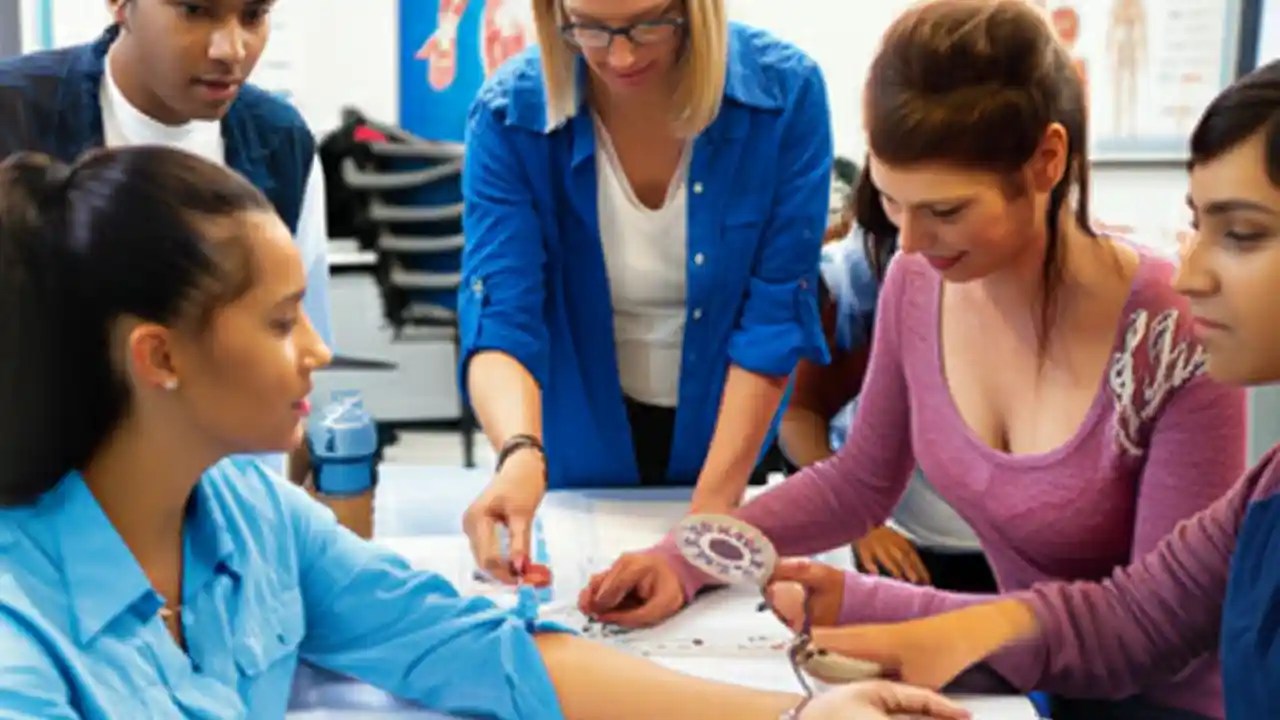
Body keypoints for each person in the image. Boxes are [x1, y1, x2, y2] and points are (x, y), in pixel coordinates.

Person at [0, 146, 971, 720]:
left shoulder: (250, 515)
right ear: (160, 357)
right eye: (280, 321)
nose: (317, 350)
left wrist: (800, 714)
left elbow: (484, 652)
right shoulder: (22, 636)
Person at [579, 2, 1247, 718]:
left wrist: (887, 606)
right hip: (1027, 684)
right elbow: (860, 481)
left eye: (946, 211)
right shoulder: (919, 279)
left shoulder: (1176, 333)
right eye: (893, 203)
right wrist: (689, 555)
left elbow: (1151, 629)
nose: (912, 242)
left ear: (1047, 160)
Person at [771, 57, 1280, 720]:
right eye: (1199, 226)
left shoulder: (1160, 333)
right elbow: (1134, 617)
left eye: (1241, 235)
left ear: (1047, 162)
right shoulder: (1265, 492)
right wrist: (862, 603)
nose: (1191, 276)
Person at [460, 0, 831, 581]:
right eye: (590, 28)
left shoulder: (784, 97)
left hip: (729, 428)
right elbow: (502, 315)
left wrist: (710, 515)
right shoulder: (510, 114)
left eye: (649, 23)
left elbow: (773, 319)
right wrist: (518, 452)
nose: (622, 56)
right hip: (574, 431)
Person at [0, 0, 333, 482]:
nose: (230, 49)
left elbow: (301, 357)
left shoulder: (281, 144)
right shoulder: (14, 116)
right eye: (195, 10)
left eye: (254, 16)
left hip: (229, 493)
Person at [781, 228, 995, 592]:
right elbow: (800, 409)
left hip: (1030, 548)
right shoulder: (863, 273)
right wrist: (853, 515)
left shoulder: (1073, 282)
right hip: (906, 539)